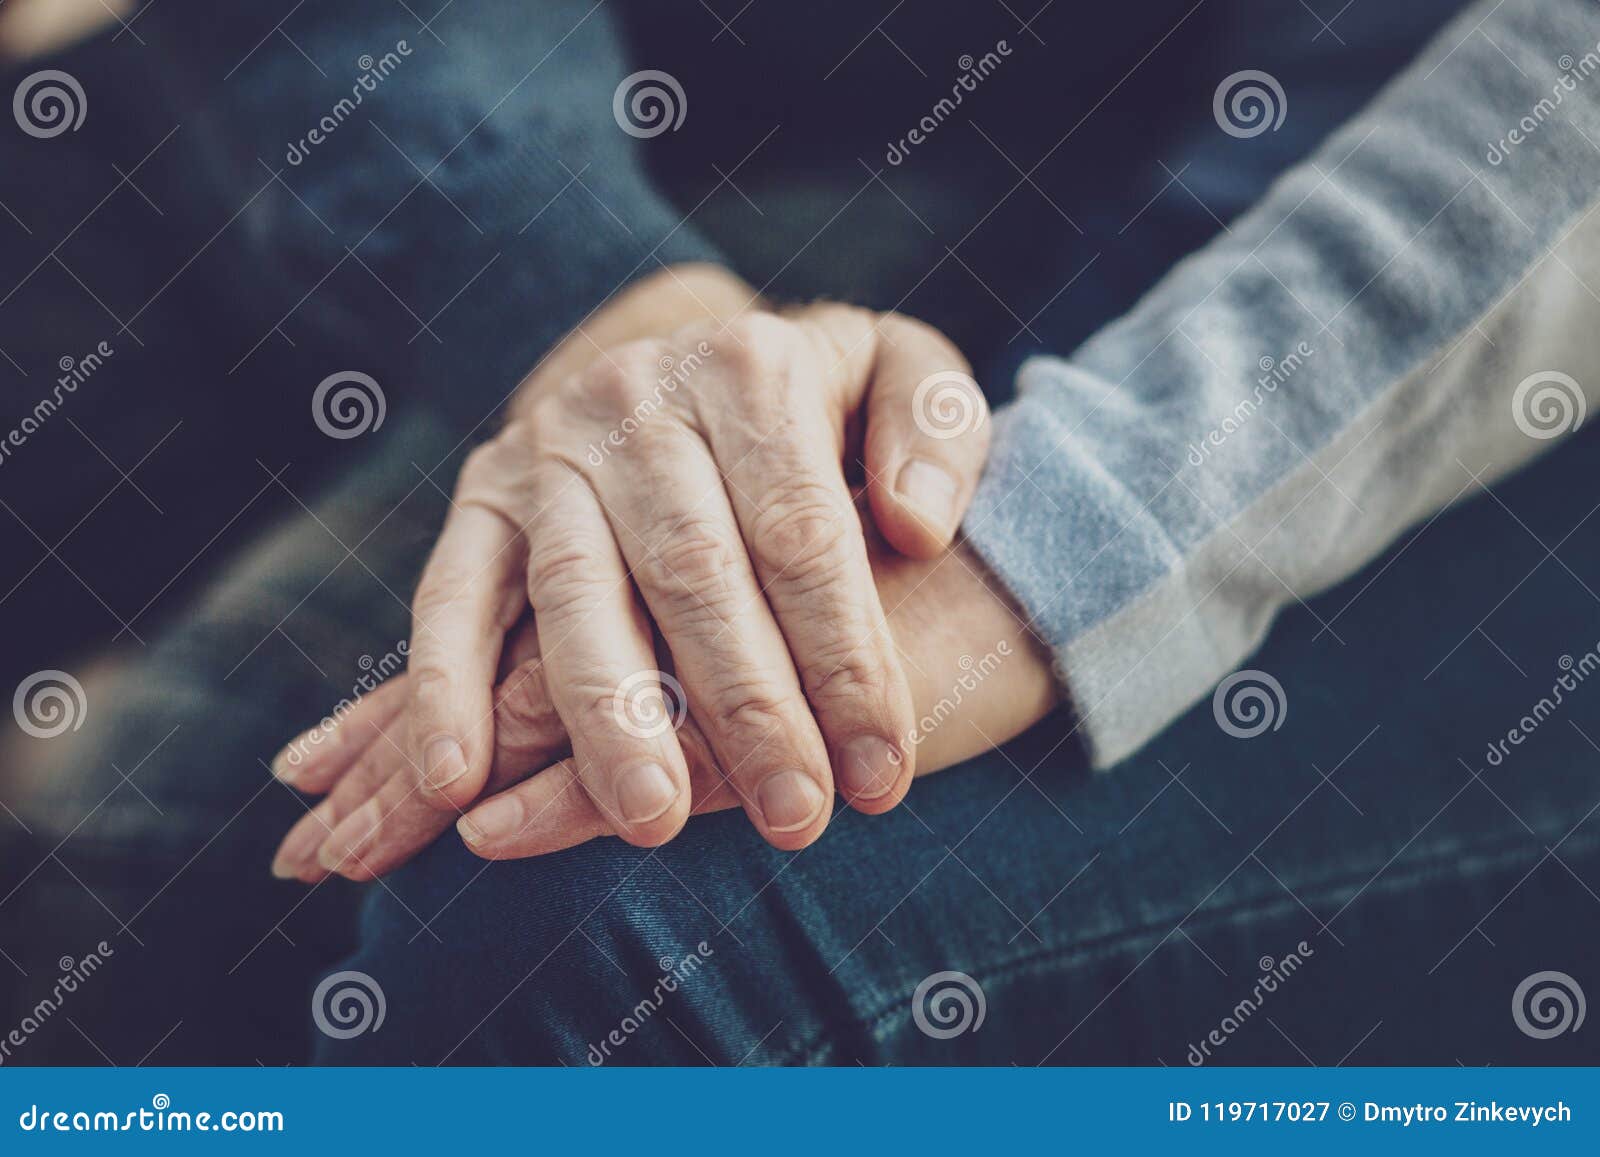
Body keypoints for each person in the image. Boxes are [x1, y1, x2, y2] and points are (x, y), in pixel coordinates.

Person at [6, 0, 1599, 1065]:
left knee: (569, 908)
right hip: (970, 130)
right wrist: (616, 319)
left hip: (1484, 340)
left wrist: (1051, 548)